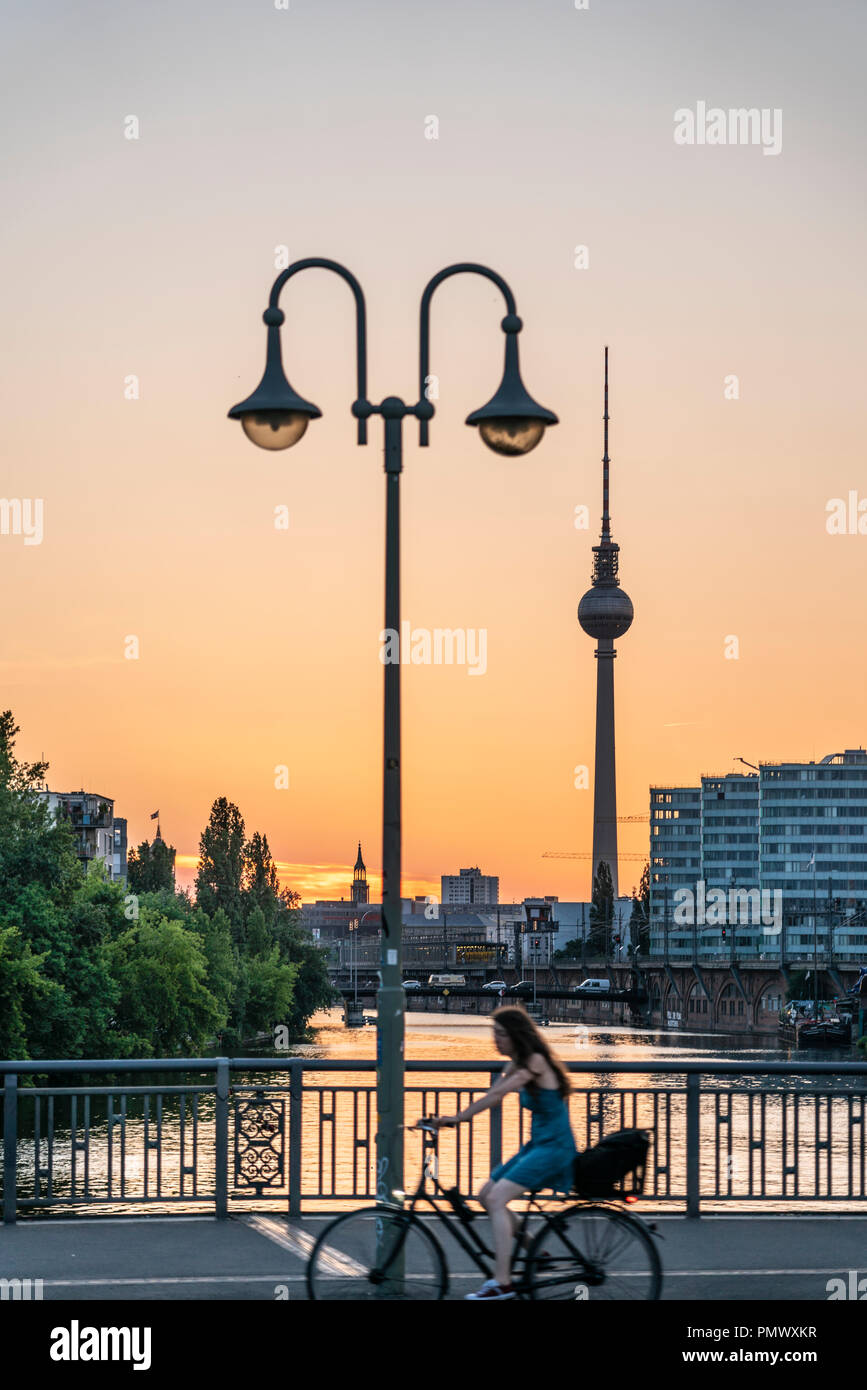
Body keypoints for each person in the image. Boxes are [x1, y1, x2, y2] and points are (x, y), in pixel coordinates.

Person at [430, 1005, 577, 1300]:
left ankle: (502, 1282)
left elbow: (499, 1093)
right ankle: (536, 1252)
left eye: (500, 1034)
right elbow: (493, 1095)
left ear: (515, 1035)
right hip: (538, 1145)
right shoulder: (517, 1063)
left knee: (497, 1199)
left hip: (554, 1147)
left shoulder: (535, 1061)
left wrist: (457, 1118)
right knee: (486, 1195)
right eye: (493, 1033)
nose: (495, 1040)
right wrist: (450, 1118)